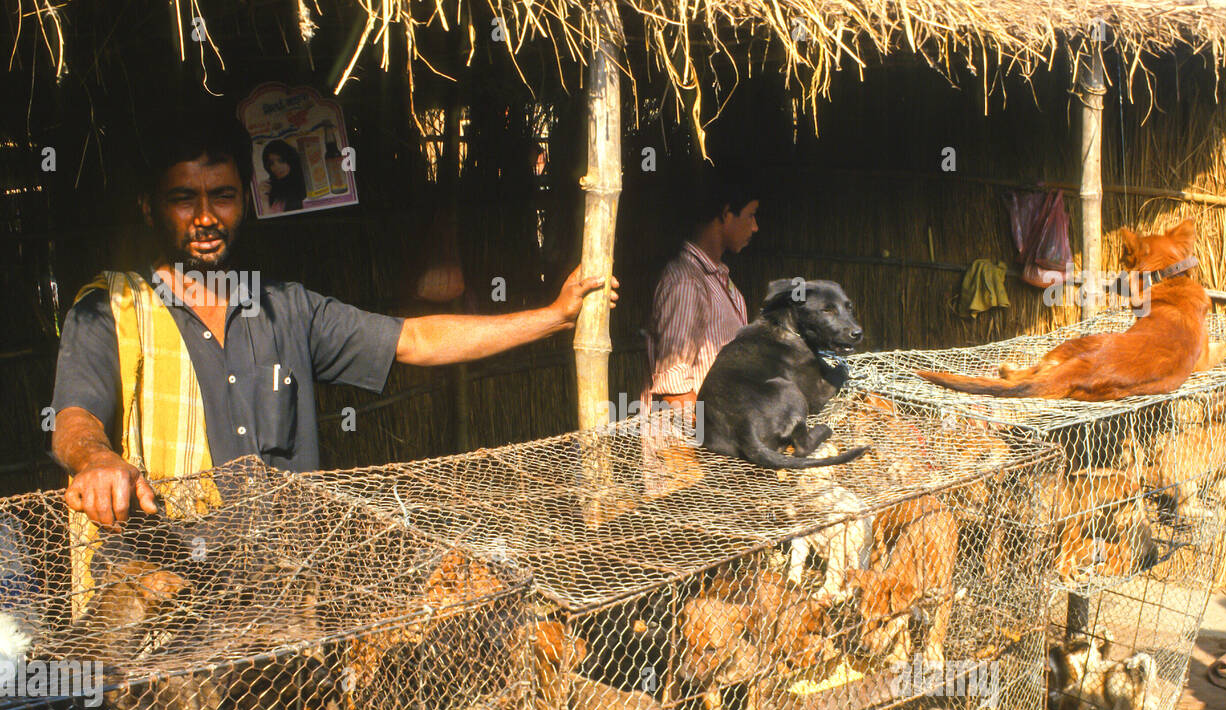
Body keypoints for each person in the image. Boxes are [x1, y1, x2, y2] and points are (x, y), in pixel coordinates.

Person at [51, 107, 616, 530]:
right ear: (150, 207)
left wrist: (551, 316)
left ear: (245, 201)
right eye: (183, 198)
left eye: (221, 195)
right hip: (168, 596)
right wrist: (98, 459)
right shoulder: (111, 310)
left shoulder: (286, 308)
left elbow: (416, 339)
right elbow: (73, 420)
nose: (204, 216)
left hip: (287, 597)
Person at [642, 167, 759, 419]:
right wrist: (707, 442)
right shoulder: (686, 282)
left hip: (713, 446)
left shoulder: (716, 278)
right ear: (727, 214)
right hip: (686, 450)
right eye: (750, 216)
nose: (755, 227)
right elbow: (674, 390)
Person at [259, 139, 306, 213]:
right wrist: (264, 200)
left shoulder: (304, 185)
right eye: (271, 163)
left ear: (290, 160)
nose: (276, 166)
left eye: (281, 161)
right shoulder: (272, 191)